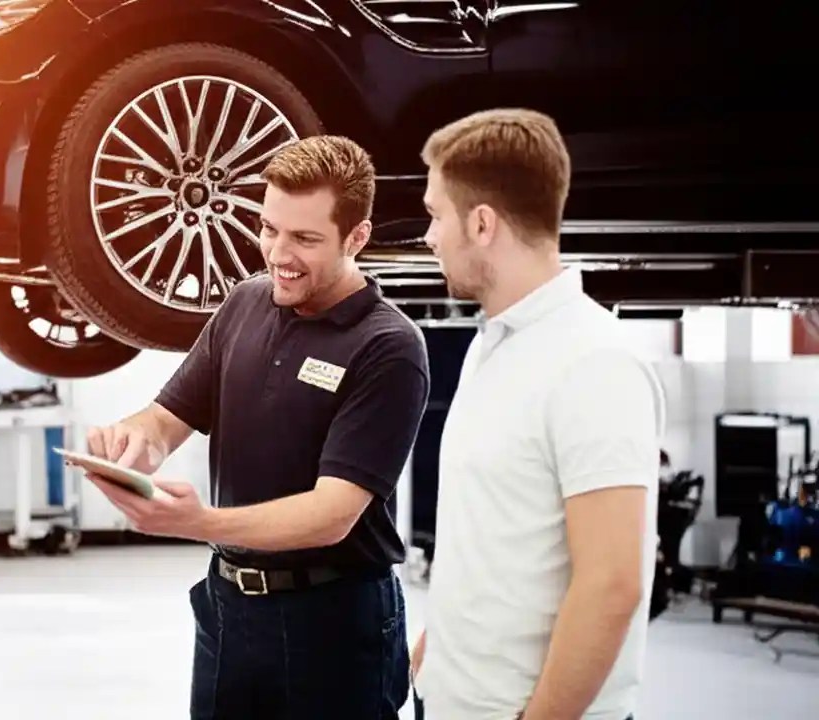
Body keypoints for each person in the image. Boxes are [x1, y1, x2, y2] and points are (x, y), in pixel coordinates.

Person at [82, 135, 430, 719]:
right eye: (269, 228)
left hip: (334, 623)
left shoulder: (388, 346)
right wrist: (132, 445)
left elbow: (332, 514)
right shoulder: (244, 304)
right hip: (229, 612)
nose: (278, 253)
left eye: (305, 239)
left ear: (357, 237)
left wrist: (198, 522)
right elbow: (165, 420)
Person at [409, 108, 666, 719]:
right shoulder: (492, 346)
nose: (429, 237)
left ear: (482, 224)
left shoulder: (595, 361)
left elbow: (612, 584)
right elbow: (494, 532)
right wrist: (436, 651)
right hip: (450, 698)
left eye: (435, 215)